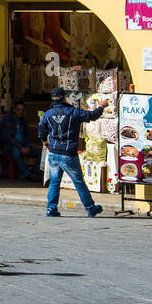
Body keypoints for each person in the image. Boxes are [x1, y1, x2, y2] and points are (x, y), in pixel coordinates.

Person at [38, 87, 109, 218]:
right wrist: (101, 107)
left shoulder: (47, 114)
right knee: (78, 182)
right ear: (64, 97)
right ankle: (90, 208)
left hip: (53, 153)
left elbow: (41, 130)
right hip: (68, 153)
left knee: (54, 182)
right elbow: (91, 116)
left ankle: (51, 208)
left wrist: (45, 142)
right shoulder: (72, 112)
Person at [0, 102, 38, 181]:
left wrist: (27, 146)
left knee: (41, 152)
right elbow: (7, 137)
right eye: (18, 110)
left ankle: (35, 171)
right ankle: (27, 175)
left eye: (22, 110)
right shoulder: (7, 119)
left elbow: (27, 136)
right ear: (14, 109)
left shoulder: (23, 121)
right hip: (10, 146)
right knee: (16, 152)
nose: (20, 112)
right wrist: (20, 148)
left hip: (22, 145)